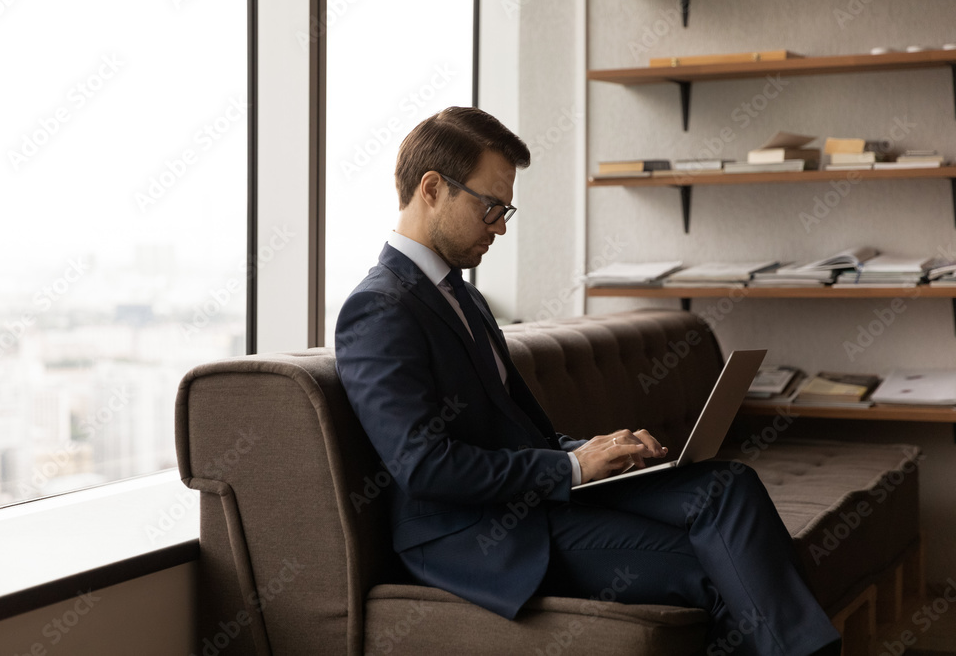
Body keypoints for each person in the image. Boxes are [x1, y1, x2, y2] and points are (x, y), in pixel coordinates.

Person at [334, 106, 841, 655]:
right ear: (432, 188)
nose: (501, 226)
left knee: (729, 486)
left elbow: (514, 432)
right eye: (491, 207)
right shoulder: (379, 309)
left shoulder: (462, 295)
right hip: (475, 534)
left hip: (536, 496)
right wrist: (572, 467)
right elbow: (425, 467)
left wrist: (603, 451)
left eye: (506, 209)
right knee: (722, 566)